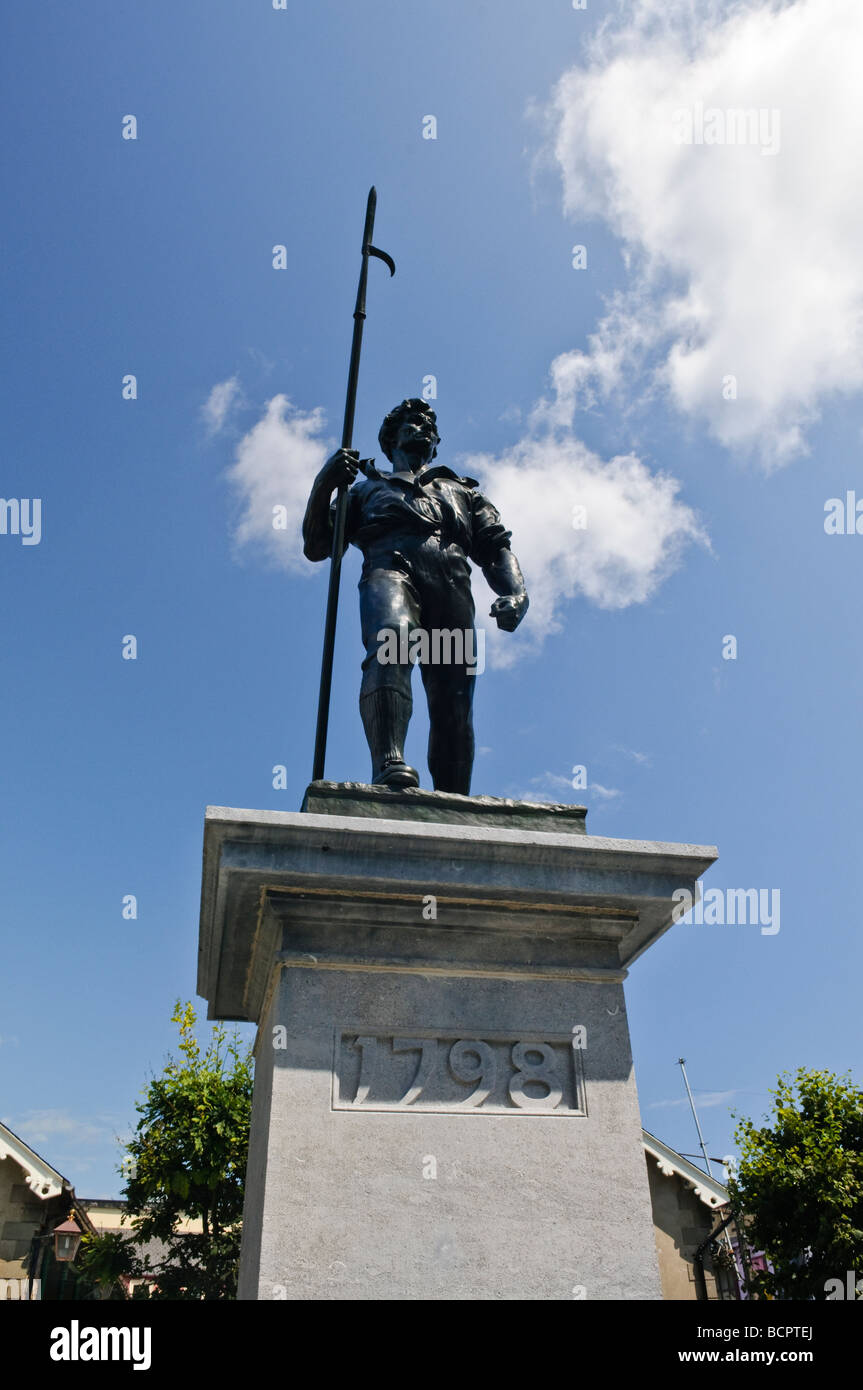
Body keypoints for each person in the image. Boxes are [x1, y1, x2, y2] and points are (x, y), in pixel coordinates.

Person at [303, 399, 528, 793]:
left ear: (436, 442)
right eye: (411, 422)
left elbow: (495, 548)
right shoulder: (365, 490)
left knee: (453, 700)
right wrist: (325, 482)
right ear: (391, 439)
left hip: (451, 586)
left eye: (428, 424)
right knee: (394, 641)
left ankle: (454, 796)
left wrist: (516, 592)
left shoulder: (462, 490)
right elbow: (319, 546)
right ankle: (390, 762)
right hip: (389, 571)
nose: (421, 427)